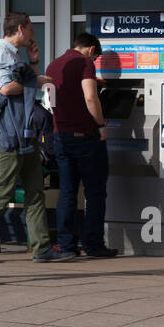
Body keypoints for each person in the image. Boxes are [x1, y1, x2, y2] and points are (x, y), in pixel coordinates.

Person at [0, 12, 70, 263]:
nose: (33, 34)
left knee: (35, 191)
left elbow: (21, 88)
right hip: (8, 131)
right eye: (31, 29)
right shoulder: (1, 54)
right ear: (21, 29)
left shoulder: (14, 54)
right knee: (3, 189)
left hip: (24, 132)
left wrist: (33, 63)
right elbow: (4, 87)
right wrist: (35, 79)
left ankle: (41, 248)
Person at [46, 31, 119, 258]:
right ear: (90, 50)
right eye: (96, 57)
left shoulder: (53, 65)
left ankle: (66, 245)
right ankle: (93, 245)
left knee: (67, 192)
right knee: (95, 192)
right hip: (86, 137)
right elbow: (90, 98)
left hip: (61, 135)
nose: (95, 61)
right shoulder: (85, 62)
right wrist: (100, 125)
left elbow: (52, 101)